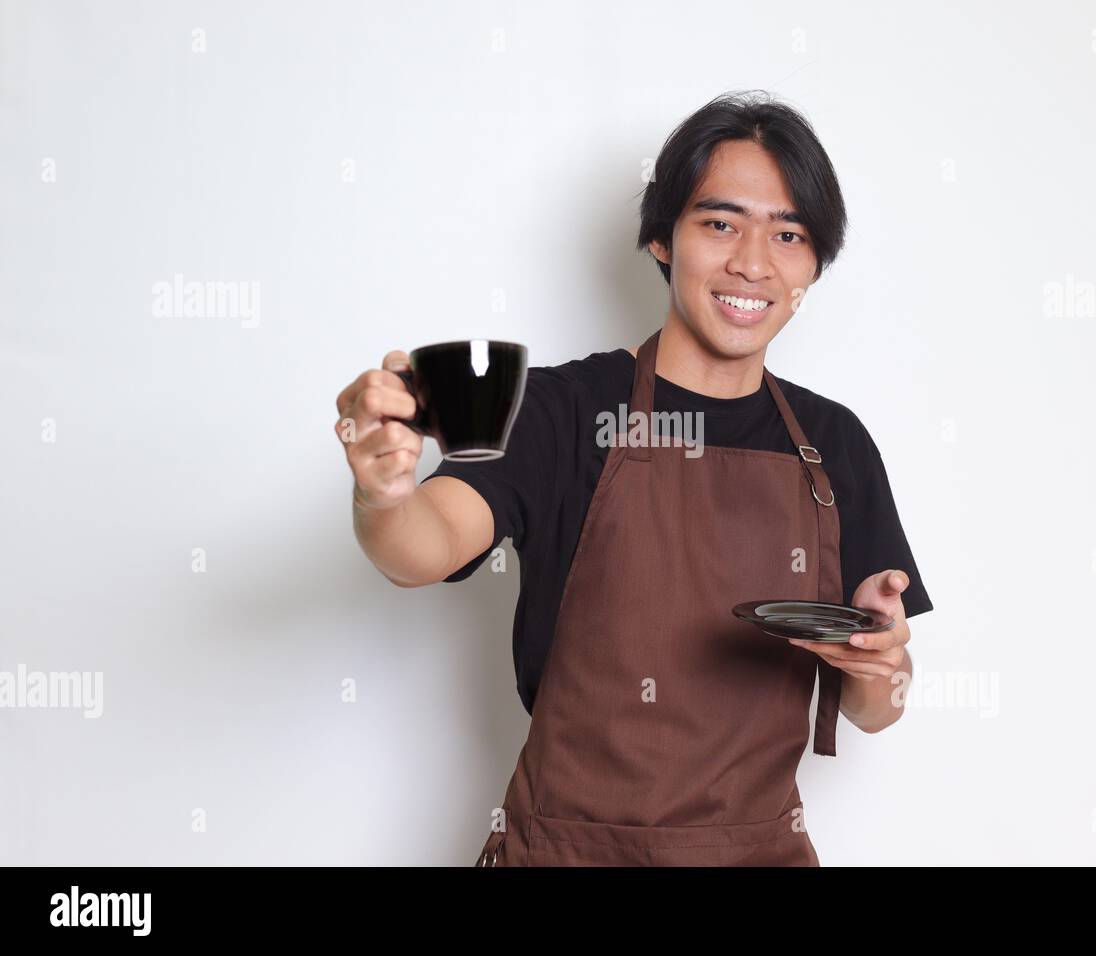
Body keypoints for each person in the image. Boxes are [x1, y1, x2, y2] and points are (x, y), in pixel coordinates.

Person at [335, 91, 934, 866]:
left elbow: (875, 711)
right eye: (719, 223)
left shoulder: (834, 444)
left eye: (788, 234)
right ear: (661, 238)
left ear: (813, 264)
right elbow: (425, 546)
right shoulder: (559, 408)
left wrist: (881, 664)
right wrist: (382, 493)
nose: (753, 261)